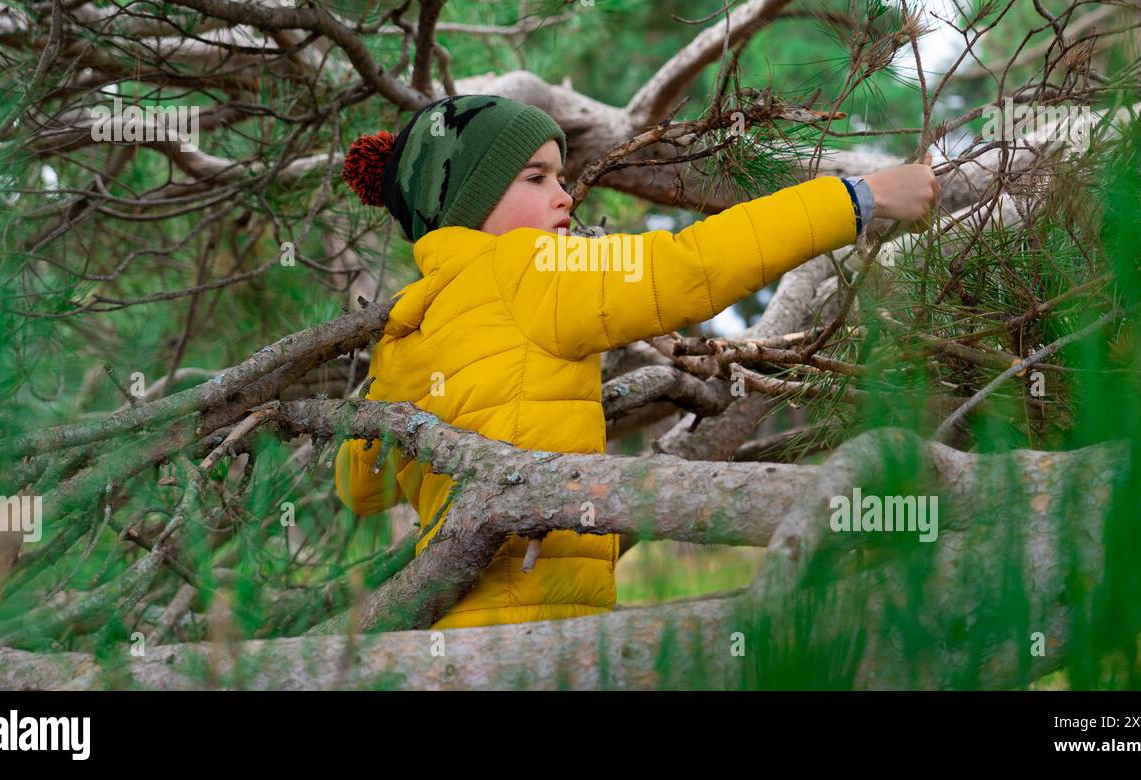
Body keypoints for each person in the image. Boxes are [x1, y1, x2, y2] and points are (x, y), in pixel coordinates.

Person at [334, 94, 940, 629]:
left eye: (561, 176)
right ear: (468, 200)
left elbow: (361, 490)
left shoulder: (406, 328)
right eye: (535, 177)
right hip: (546, 633)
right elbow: (688, 267)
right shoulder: (528, 268)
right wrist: (861, 197)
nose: (564, 195)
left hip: (454, 630)